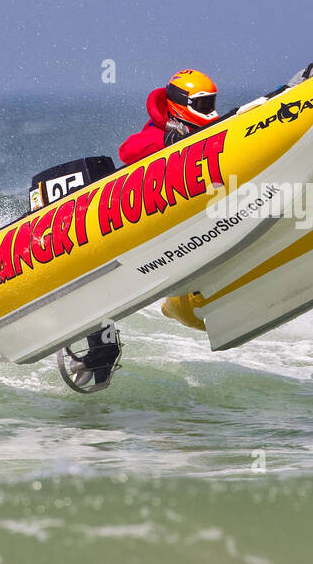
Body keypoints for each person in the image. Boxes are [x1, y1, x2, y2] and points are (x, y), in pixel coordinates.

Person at [79, 69, 220, 387]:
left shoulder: (210, 131)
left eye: (212, 101)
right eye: (203, 103)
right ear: (181, 105)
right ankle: (100, 345)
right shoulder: (160, 130)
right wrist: (169, 141)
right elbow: (128, 150)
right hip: (134, 229)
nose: (210, 109)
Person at [117, 68, 220, 165]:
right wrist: (165, 139)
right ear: (182, 103)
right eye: (203, 104)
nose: (210, 109)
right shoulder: (159, 126)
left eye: (211, 103)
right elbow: (125, 151)